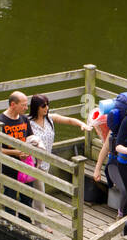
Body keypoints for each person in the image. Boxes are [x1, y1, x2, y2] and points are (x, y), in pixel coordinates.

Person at [22, 93, 91, 222]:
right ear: (36, 107)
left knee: (38, 193)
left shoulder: (50, 119)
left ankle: (35, 216)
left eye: (47, 105)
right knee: (39, 194)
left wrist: (82, 124)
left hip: (46, 162)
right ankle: (41, 222)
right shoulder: (28, 123)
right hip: (34, 163)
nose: (46, 108)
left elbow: (69, 120)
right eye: (43, 106)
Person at [0, 91, 29, 216]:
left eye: (26, 105)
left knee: (27, 198)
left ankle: (27, 222)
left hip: (25, 166)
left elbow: (30, 138)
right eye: (23, 105)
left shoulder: (24, 119)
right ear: (13, 104)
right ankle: (11, 222)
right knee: (10, 197)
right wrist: (15, 152)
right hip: (8, 167)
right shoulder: (0, 122)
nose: (26, 108)